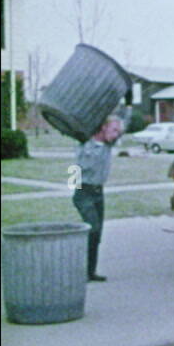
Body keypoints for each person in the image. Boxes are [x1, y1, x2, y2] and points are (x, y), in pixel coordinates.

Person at [73, 114, 124, 282]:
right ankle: (76, 266)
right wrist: (75, 188)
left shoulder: (108, 145)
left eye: (119, 131)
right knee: (92, 229)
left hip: (98, 193)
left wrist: (129, 105)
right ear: (103, 127)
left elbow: (126, 123)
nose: (117, 134)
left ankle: (90, 273)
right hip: (83, 193)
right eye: (114, 130)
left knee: (97, 235)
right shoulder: (84, 144)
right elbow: (75, 168)